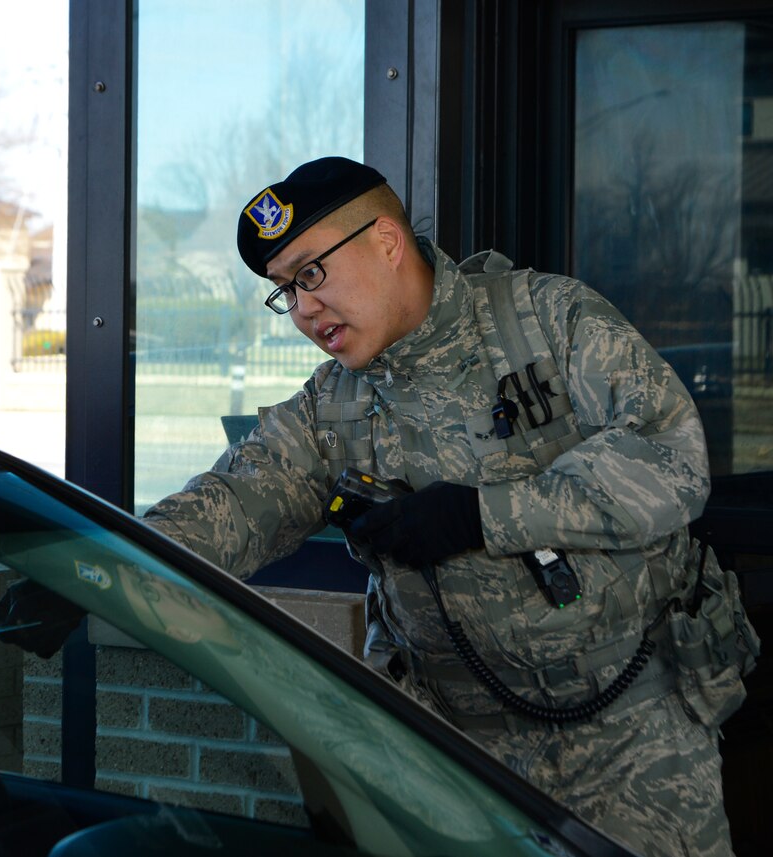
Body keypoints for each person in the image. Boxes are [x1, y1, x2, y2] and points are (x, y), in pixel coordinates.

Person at [135, 156, 758, 857]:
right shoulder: (334, 403)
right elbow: (236, 501)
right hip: (448, 755)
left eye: (311, 274)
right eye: (285, 291)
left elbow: (671, 458)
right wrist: (113, 560)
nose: (302, 310)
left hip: (626, 741)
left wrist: (481, 515)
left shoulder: (548, 322)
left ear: (387, 242)